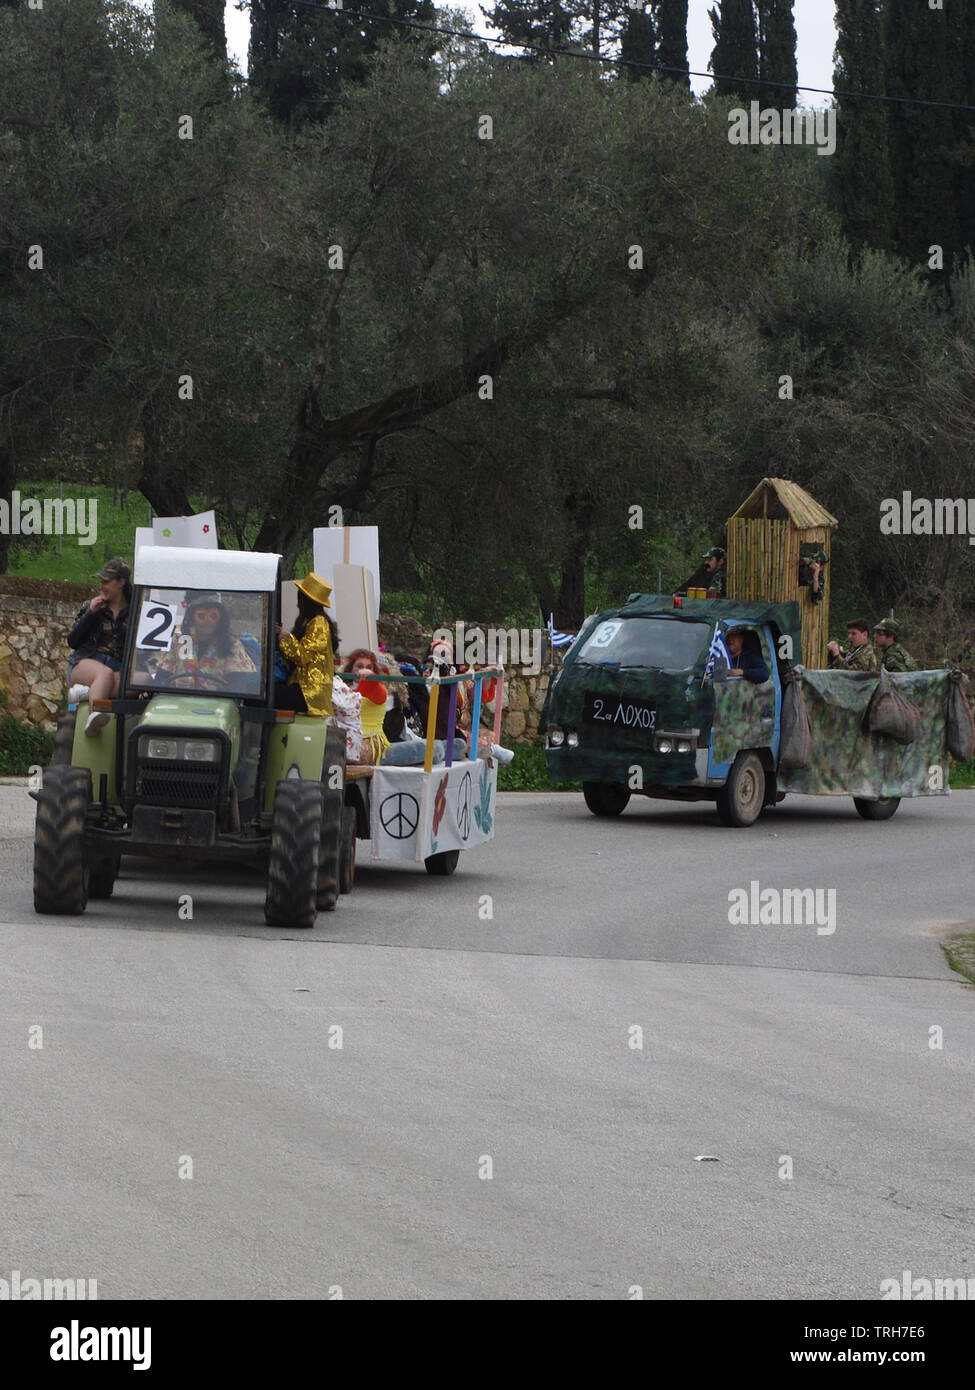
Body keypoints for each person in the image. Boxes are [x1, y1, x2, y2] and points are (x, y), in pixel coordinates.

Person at [66, 557, 132, 735]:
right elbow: (72, 641)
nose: (101, 587)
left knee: (143, 680)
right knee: (105, 674)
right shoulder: (91, 606)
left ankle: (90, 693)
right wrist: (90, 614)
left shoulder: (135, 612)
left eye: (106, 582)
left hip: (118, 670)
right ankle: (94, 716)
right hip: (85, 663)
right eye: (101, 582)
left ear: (121, 582)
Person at [155, 591, 257, 691]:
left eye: (213, 616)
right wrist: (174, 684)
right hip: (177, 701)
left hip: (216, 703)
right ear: (191, 618)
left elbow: (237, 688)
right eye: (201, 616)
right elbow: (160, 681)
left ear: (221, 618)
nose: (208, 622)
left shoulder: (232, 644)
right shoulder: (178, 641)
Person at [275, 573, 336, 715]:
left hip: (309, 693)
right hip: (302, 687)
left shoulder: (319, 623)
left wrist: (284, 637)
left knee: (265, 695)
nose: (297, 601)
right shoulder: (309, 622)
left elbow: (302, 656)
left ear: (305, 599)